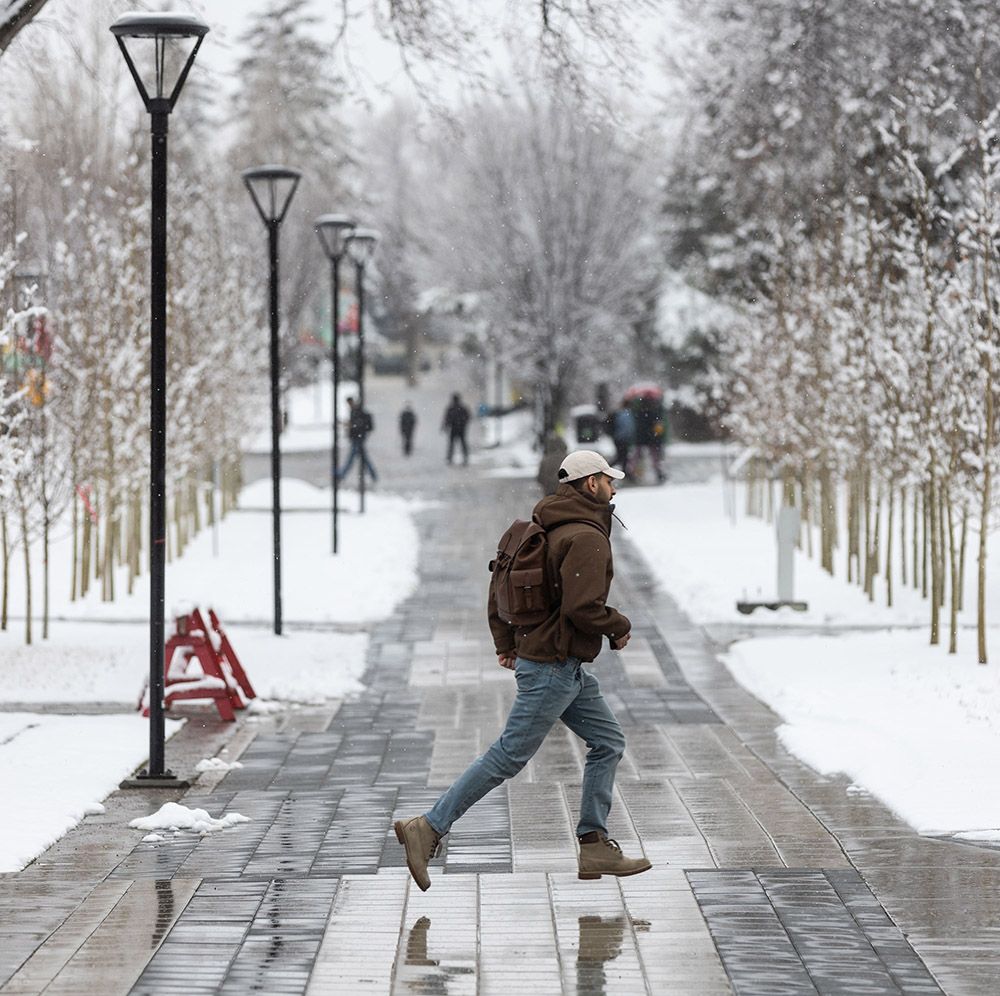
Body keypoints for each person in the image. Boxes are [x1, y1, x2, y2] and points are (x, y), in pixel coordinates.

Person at [394, 449, 652, 890]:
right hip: (553, 666)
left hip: (559, 665)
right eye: (609, 481)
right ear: (591, 484)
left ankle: (593, 842)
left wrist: (506, 642)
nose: (614, 489)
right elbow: (582, 607)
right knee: (509, 755)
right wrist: (619, 625)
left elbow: (497, 588)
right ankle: (430, 827)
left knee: (608, 741)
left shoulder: (540, 526)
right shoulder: (586, 536)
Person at [336, 396, 377, 483]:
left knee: (352, 458)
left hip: (358, 438)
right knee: (364, 458)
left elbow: (358, 424)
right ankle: (373, 475)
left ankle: (342, 474)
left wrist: (350, 425)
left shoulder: (357, 411)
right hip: (357, 438)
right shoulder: (354, 411)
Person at [441, 392, 471, 465]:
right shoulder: (462, 408)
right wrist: (463, 423)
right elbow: (468, 417)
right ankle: (464, 457)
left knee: (453, 444)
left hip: (455, 428)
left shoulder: (451, 408)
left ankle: (451, 458)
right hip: (460, 428)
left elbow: (447, 418)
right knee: (461, 444)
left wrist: (445, 426)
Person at [609, 401, 636, 474]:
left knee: (623, 457)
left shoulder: (620, 413)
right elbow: (627, 427)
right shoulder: (626, 414)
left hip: (618, 438)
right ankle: (607, 468)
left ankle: (625, 473)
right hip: (622, 438)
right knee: (621, 457)